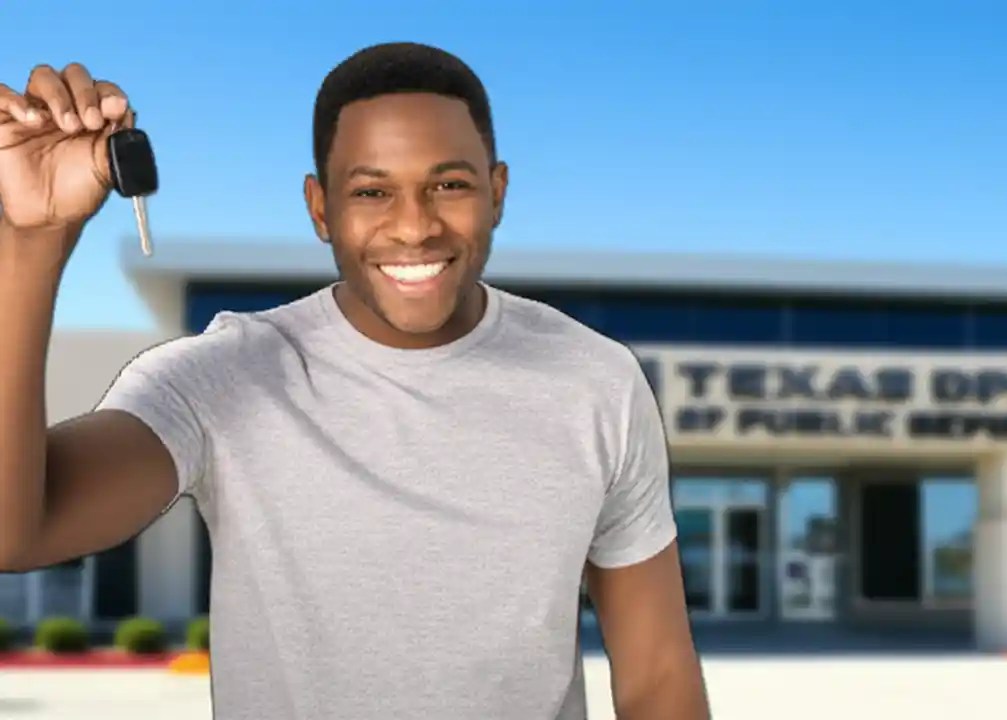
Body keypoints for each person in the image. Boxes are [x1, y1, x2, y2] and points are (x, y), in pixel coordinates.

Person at [0, 42, 711, 719]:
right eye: (372, 192)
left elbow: (656, 672)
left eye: (450, 184)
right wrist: (33, 242)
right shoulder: (221, 377)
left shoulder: (597, 382)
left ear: (497, 192)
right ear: (321, 209)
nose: (414, 227)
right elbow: (15, 535)